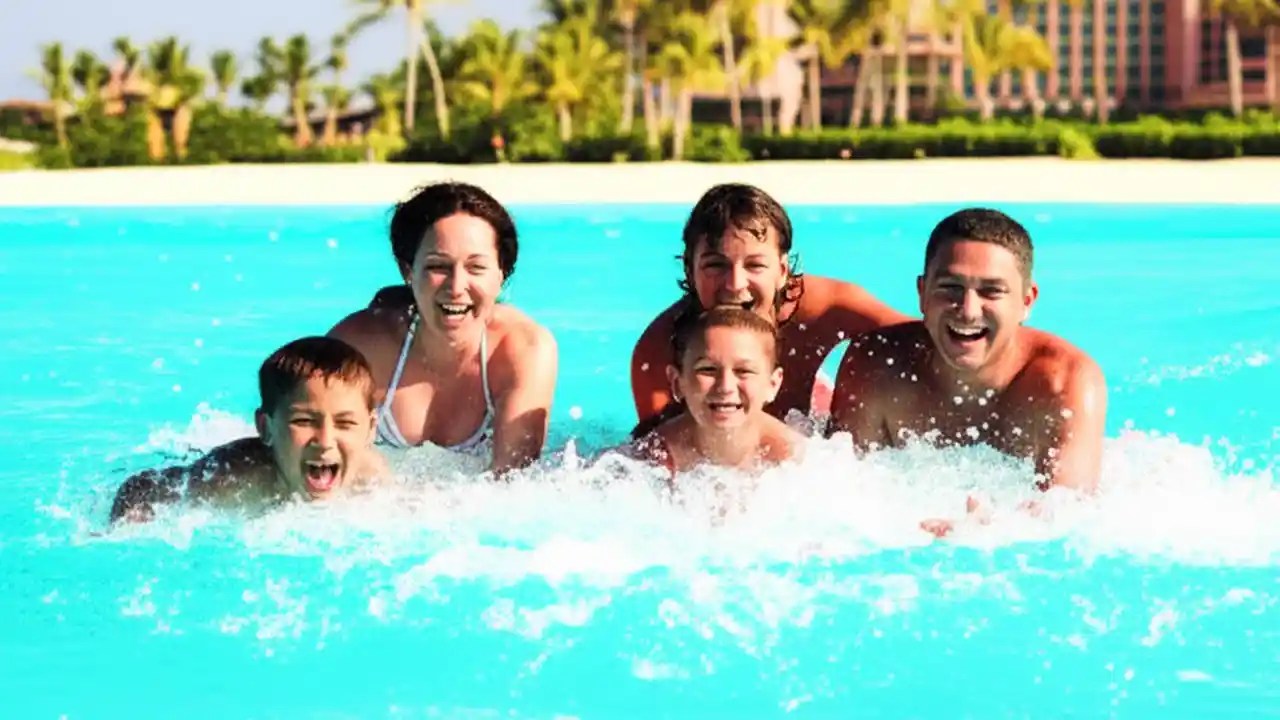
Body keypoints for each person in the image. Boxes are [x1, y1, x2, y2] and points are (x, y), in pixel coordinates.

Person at [828, 207, 1108, 500]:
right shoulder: (877, 366)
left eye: (992, 291)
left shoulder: (1064, 382)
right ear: (922, 293)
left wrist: (986, 529)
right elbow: (846, 499)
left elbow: (1065, 514)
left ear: (1027, 301)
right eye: (951, 288)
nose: (968, 311)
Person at [630, 183, 907, 437]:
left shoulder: (822, 310)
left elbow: (929, 340)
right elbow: (656, 458)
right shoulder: (660, 352)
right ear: (690, 271)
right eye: (716, 265)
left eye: (755, 266)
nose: (735, 284)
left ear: (782, 271)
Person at [328, 181, 558, 476]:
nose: (457, 287)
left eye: (476, 268)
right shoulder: (359, 347)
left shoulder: (524, 349)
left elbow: (511, 484)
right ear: (408, 271)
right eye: (438, 267)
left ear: (501, 274)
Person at [110, 336, 385, 523]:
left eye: (345, 423)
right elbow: (138, 491)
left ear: (370, 429)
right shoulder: (232, 478)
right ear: (265, 427)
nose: (325, 441)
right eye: (303, 421)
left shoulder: (373, 484)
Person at [631, 306, 803, 476]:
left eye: (744, 371)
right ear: (677, 382)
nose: (725, 387)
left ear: (772, 384)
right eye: (707, 369)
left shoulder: (795, 461)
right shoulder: (652, 460)